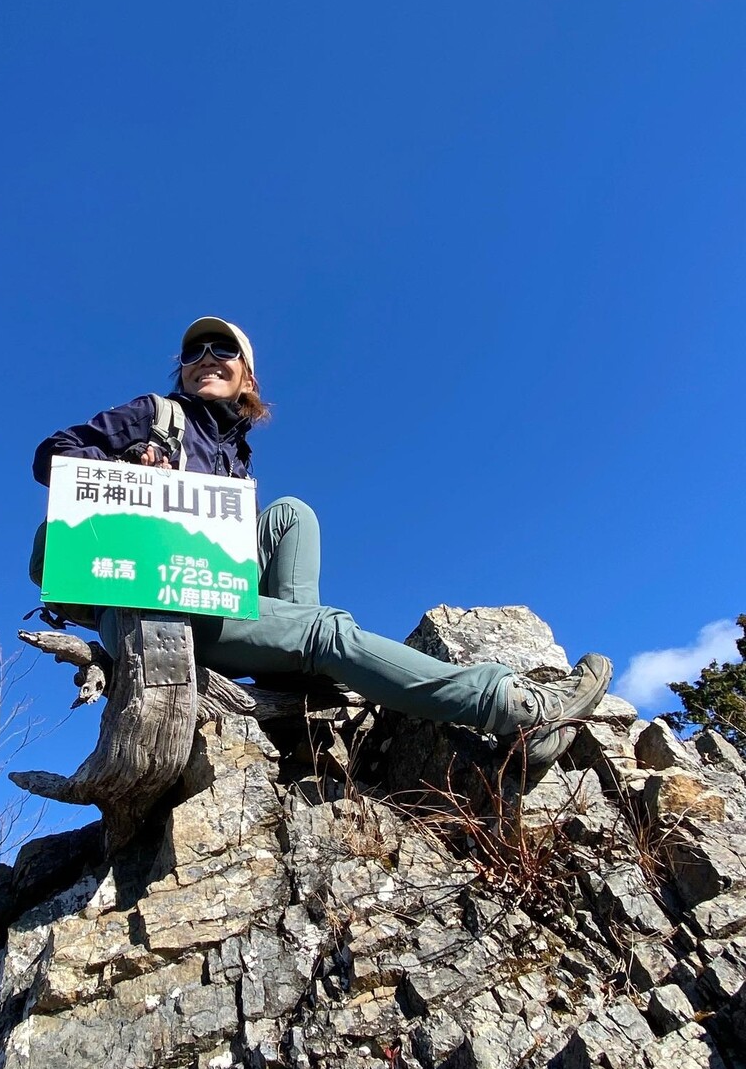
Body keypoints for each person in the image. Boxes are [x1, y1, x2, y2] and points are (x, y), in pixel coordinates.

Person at [32, 316, 612, 771]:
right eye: (193, 353)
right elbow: (50, 453)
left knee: (291, 513)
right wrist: (133, 460)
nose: (205, 359)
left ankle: (299, 677)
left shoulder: (236, 456)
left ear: (247, 378)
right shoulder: (154, 414)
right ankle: (515, 708)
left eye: (223, 351)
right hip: (148, 606)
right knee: (327, 631)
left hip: (204, 588)